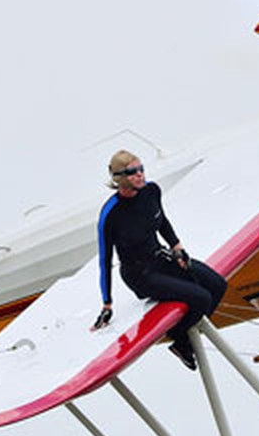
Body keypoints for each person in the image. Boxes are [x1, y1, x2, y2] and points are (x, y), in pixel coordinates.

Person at [90, 150, 227, 371]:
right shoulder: (110, 214)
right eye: (133, 172)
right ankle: (179, 340)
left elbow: (161, 220)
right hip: (141, 275)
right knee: (200, 298)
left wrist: (177, 247)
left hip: (162, 258)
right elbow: (105, 260)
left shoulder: (151, 191)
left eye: (141, 169)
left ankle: (182, 344)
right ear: (120, 178)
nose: (140, 175)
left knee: (218, 285)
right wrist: (107, 304)